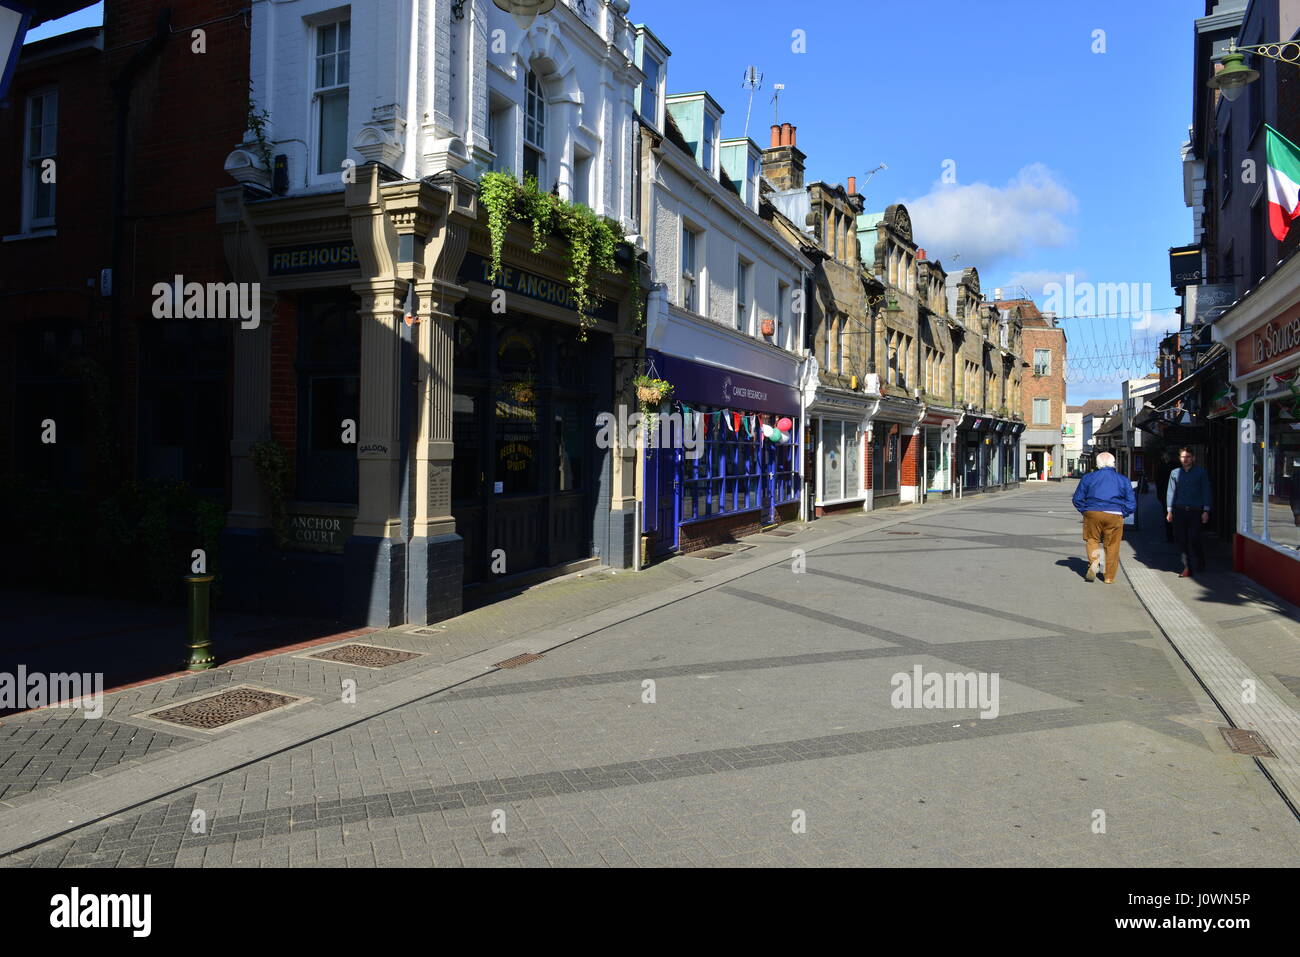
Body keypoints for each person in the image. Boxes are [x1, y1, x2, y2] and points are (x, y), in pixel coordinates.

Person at [1071, 451, 1136, 584]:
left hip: (1093, 511)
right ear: (1113, 463)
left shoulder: (1088, 478)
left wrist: (1085, 510)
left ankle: (1094, 563)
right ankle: (1109, 576)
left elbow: (1077, 499)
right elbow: (1131, 502)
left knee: (1092, 540)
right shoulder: (1122, 479)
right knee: (1112, 545)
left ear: (1098, 464)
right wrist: (1123, 512)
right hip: (1115, 513)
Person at [1166, 447, 1212, 578]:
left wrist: (1206, 510)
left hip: (1196, 511)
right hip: (1179, 510)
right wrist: (1169, 510)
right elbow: (1171, 492)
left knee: (1194, 538)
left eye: (1188, 457)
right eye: (1182, 457)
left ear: (1193, 458)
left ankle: (1200, 560)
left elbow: (1206, 491)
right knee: (1181, 539)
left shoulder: (1201, 473)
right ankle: (1187, 567)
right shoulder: (1174, 473)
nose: (1185, 460)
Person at [1154, 450, 1177, 542]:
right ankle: (1177, 534)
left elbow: (1158, 482)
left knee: (1167, 515)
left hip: (1165, 494)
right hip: (1176, 495)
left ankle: (1170, 535)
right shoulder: (1177, 466)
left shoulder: (1161, 467)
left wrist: (1159, 495)